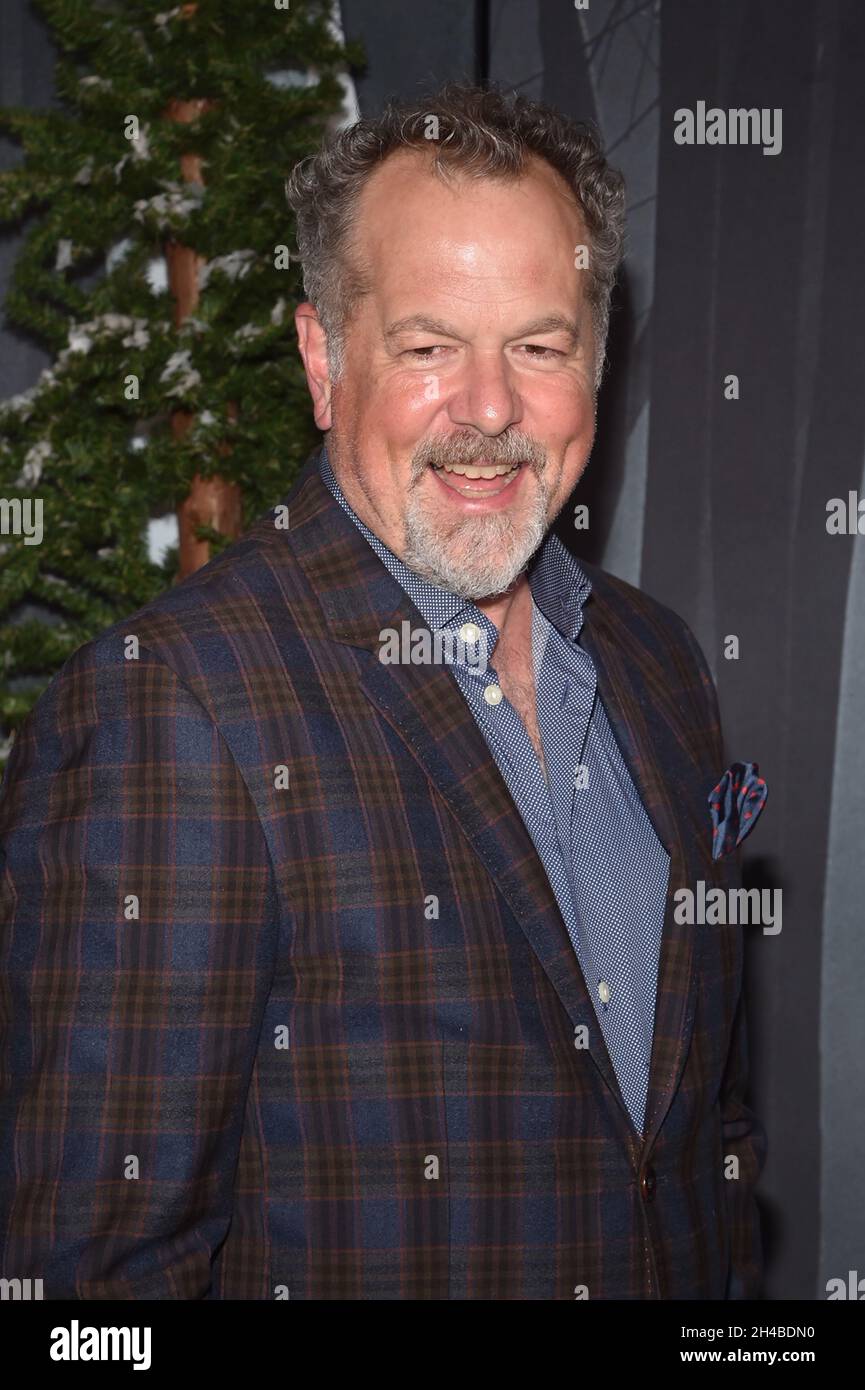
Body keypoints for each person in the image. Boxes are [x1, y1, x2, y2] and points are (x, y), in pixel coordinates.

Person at [0, 81, 766, 1300]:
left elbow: (700, 1148)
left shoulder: (661, 667)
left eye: (538, 345)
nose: (489, 409)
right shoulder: (175, 708)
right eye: (426, 348)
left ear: (597, 362)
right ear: (322, 358)